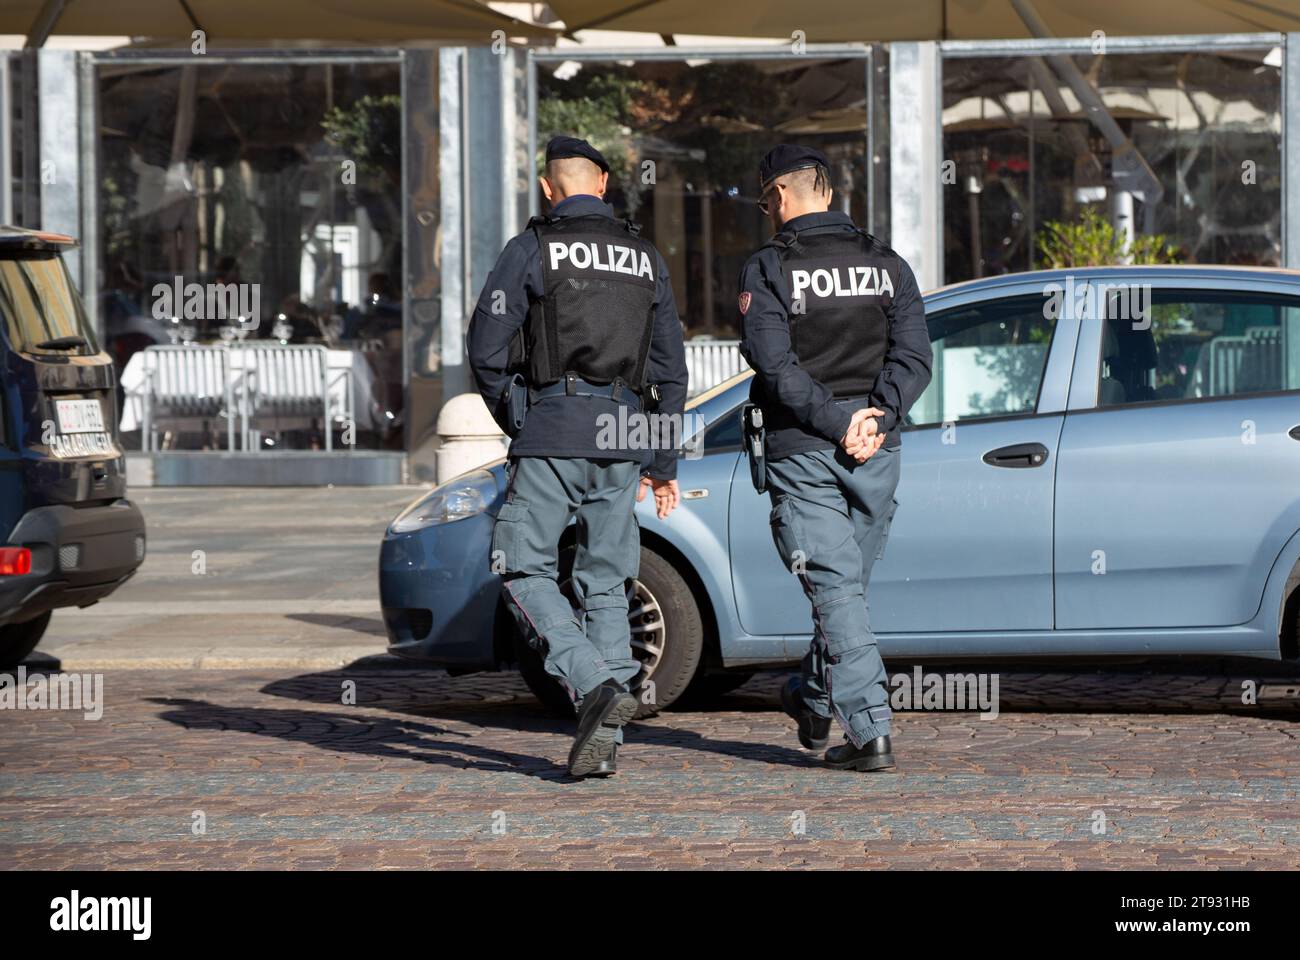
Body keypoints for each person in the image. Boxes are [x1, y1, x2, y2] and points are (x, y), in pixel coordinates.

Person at [467, 135, 688, 778]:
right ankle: (604, 748)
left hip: (556, 427)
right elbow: (671, 369)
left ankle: (592, 683)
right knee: (608, 583)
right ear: (604, 183)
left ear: (548, 187)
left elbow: (487, 348)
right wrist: (662, 460)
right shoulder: (645, 257)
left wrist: (524, 418)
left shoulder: (531, 248)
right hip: (626, 435)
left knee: (520, 567)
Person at [738, 144, 933, 772]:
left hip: (804, 448)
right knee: (843, 589)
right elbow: (915, 358)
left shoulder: (769, 267)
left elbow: (774, 364)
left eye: (765, 199)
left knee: (838, 592)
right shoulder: (886, 261)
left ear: (782, 196)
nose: (766, 210)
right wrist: (878, 415)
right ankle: (817, 697)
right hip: (877, 448)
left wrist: (837, 420)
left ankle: (870, 731)